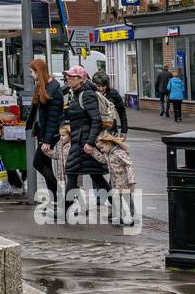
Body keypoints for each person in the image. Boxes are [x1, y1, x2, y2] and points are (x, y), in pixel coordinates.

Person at [61, 65, 108, 193]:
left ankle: (66, 211)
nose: (68, 79)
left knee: (71, 172)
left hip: (84, 142)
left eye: (71, 76)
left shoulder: (87, 95)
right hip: (80, 140)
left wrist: (89, 142)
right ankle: (119, 206)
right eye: (67, 76)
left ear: (81, 79)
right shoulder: (75, 94)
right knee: (96, 176)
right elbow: (78, 119)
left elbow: (96, 120)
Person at [25, 58, 64, 196]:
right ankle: (54, 198)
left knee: (38, 162)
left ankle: (58, 194)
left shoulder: (53, 90)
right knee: (45, 165)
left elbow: (53, 119)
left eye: (32, 72)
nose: (30, 75)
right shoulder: (41, 86)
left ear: (38, 71)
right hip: (43, 131)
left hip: (50, 134)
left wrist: (47, 141)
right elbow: (36, 110)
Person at [91, 70, 129, 135]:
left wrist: (124, 131)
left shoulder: (113, 93)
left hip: (111, 130)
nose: (101, 89)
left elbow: (122, 112)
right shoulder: (90, 94)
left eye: (104, 86)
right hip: (93, 131)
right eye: (98, 86)